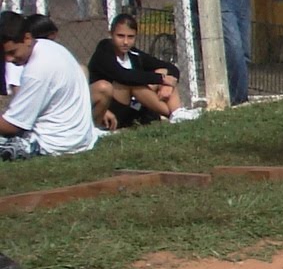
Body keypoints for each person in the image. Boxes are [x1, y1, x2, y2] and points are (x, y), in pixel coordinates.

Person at [0, 10, 96, 159]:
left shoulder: (37, 69)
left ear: (27, 38)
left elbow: (12, 126)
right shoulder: (48, 47)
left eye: (12, 52)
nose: (8, 59)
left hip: (52, 145)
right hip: (79, 139)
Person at [87, 11, 189, 127]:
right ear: (111, 34)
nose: (125, 42)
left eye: (130, 37)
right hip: (111, 108)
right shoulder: (104, 50)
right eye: (120, 36)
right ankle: (173, 114)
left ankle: (177, 112)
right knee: (135, 82)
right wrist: (161, 79)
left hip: (134, 105)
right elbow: (122, 76)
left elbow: (171, 68)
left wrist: (166, 84)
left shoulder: (133, 54)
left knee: (162, 72)